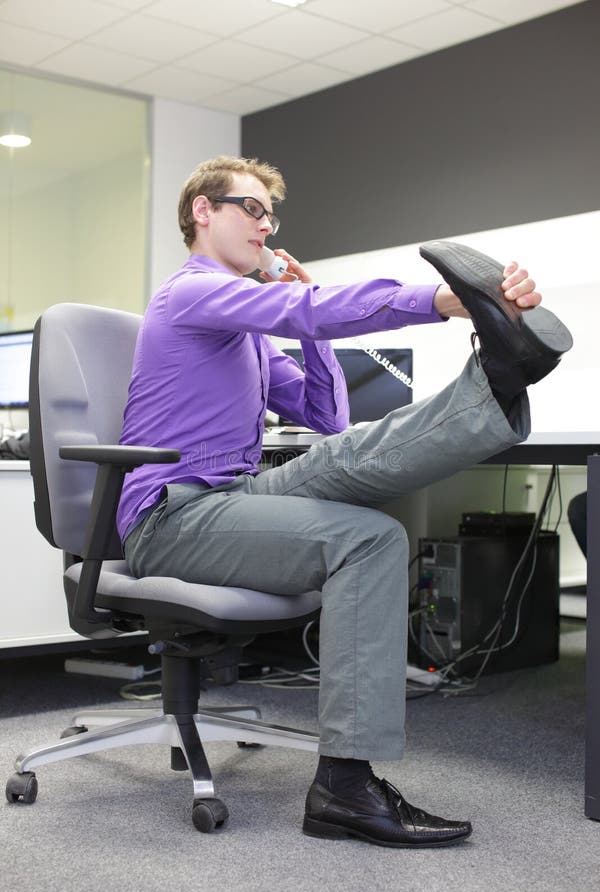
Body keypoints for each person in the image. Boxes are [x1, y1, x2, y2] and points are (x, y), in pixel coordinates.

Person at [117, 155, 571, 848]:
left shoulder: (244, 335)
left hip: (232, 497)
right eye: (252, 209)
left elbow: (328, 417)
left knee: (339, 453)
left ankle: (496, 373)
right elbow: (304, 308)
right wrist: (443, 300)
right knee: (372, 538)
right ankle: (344, 788)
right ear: (203, 212)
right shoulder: (189, 294)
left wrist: (303, 325)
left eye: (272, 215)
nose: (266, 227)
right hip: (172, 518)